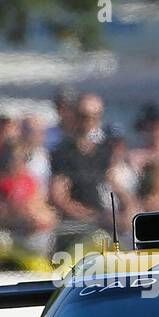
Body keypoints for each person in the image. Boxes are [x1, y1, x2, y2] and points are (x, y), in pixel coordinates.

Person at [50, 93, 110, 223]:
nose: (89, 122)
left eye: (95, 117)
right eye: (84, 117)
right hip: (78, 225)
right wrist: (90, 217)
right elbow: (59, 196)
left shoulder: (105, 151)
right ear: (75, 116)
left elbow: (114, 182)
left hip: (107, 219)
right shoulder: (62, 153)